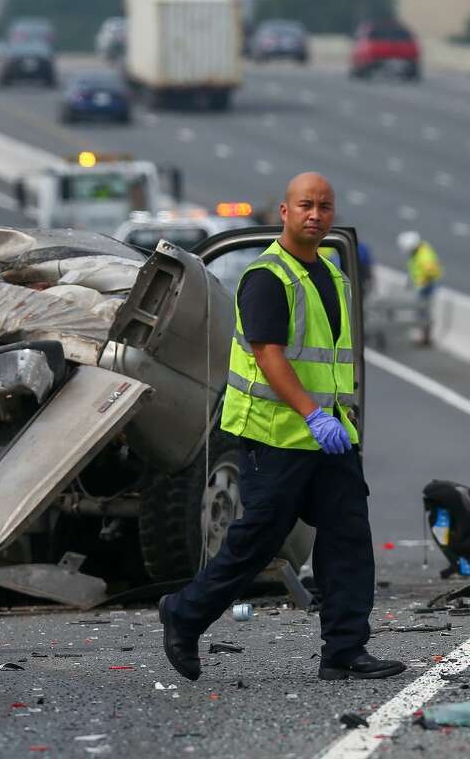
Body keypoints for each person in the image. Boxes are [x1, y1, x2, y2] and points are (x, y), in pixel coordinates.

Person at [158, 172, 405, 683]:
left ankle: (344, 649)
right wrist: (312, 414)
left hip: (328, 438)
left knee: (348, 536)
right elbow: (270, 356)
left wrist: (334, 422)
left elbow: (329, 362)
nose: (316, 214)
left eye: (325, 206)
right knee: (257, 540)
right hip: (276, 435)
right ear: (285, 213)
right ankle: (184, 613)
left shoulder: (332, 275)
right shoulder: (268, 277)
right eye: (306, 205)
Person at [398, 231, 441, 346]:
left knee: (423, 312)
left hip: (426, 287)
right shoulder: (420, 251)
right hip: (423, 285)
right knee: (421, 312)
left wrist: (422, 283)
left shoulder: (424, 255)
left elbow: (430, 271)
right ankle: (424, 336)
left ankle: (425, 337)